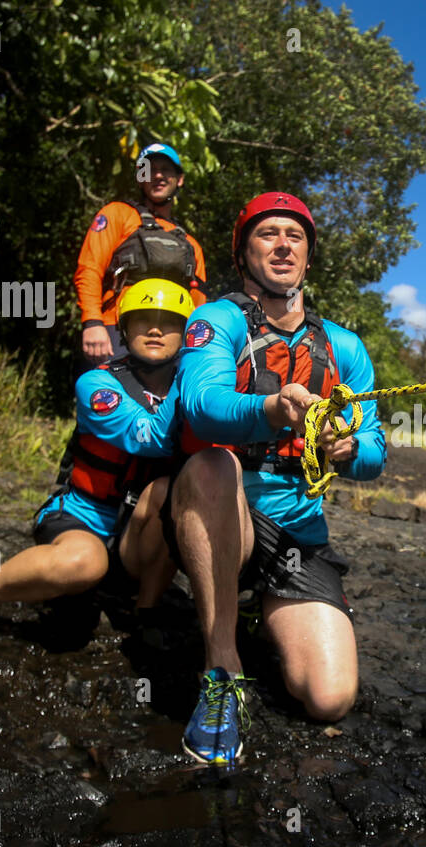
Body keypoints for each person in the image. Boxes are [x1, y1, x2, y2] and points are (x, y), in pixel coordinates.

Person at [163, 191, 386, 766]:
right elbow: (200, 402)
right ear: (242, 256)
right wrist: (267, 411)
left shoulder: (346, 348)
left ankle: (268, 610)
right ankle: (221, 664)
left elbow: (375, 454)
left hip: (294, 534)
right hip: (220, 504)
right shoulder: (215, 320)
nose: (283, 244)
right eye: (268, 234)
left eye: (296, 236)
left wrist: (346, 447)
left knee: (329, 698)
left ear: (308, 258)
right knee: (214, 463)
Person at [0, 279, 191, 642]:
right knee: (84, 563)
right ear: (124, 328)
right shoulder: (98, 385)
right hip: (83, 519)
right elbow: (149, 436)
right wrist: (192, 383)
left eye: (169, 321)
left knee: (171, 488)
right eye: (143, 319)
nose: (155, 329)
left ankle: (147, 610)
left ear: (186, 333)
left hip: (138, 538)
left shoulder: (200, 387)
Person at [73, 143, 208, 371]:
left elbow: (198, 302)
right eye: (149, 170)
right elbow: (89, 268)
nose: (157, 175)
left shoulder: (191, 244)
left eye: (165, 169)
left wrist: (198, 348)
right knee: (108, 402)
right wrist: (92, 322)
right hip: (115, 331)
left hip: (171, 339)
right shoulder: (117, 214)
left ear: (179, 179)